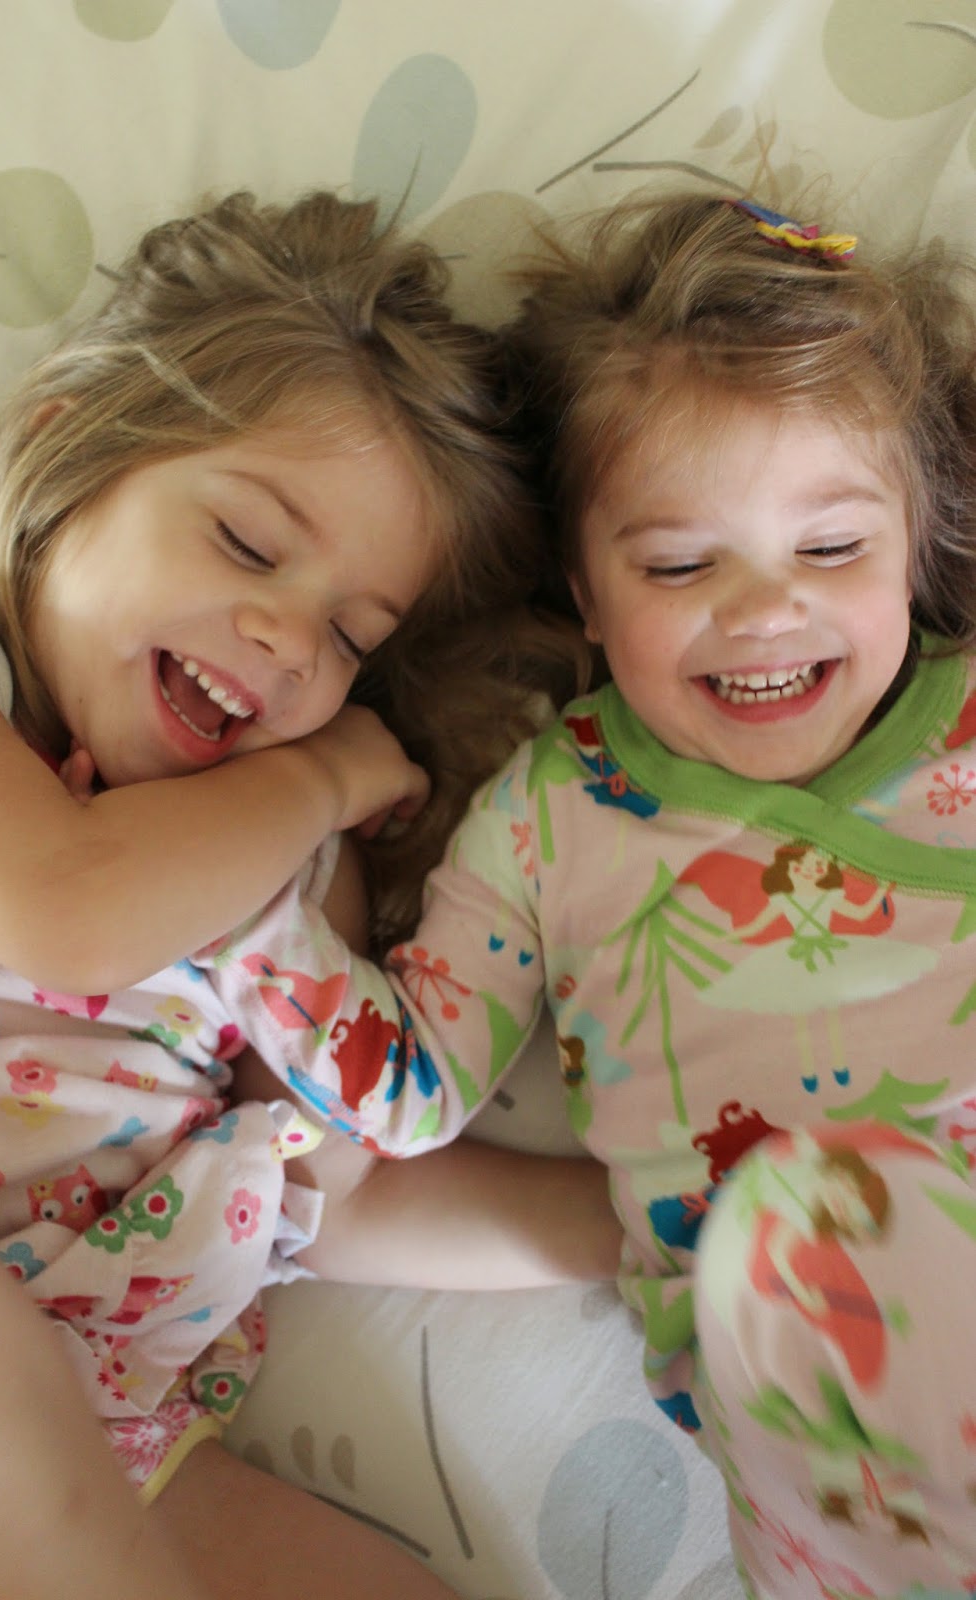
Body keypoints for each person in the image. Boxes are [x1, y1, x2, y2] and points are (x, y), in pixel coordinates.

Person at [237, 193, 976, 1597]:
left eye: (832, 550)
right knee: (796, 1230)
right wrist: (244, 928)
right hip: (819, 1439)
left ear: (917, 535)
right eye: (681, 565)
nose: (765, 612)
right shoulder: (554, 816)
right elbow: (408, 1089)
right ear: (579, 587)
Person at [0, 188, 622, 1600]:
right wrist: (314, 783)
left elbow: (319, 1189)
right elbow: (65, 907)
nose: (286, 638)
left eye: (354, 636)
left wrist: (628, 1219)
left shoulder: (294, 884)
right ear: (68, 455)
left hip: (104, 1426)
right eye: (245, 543)